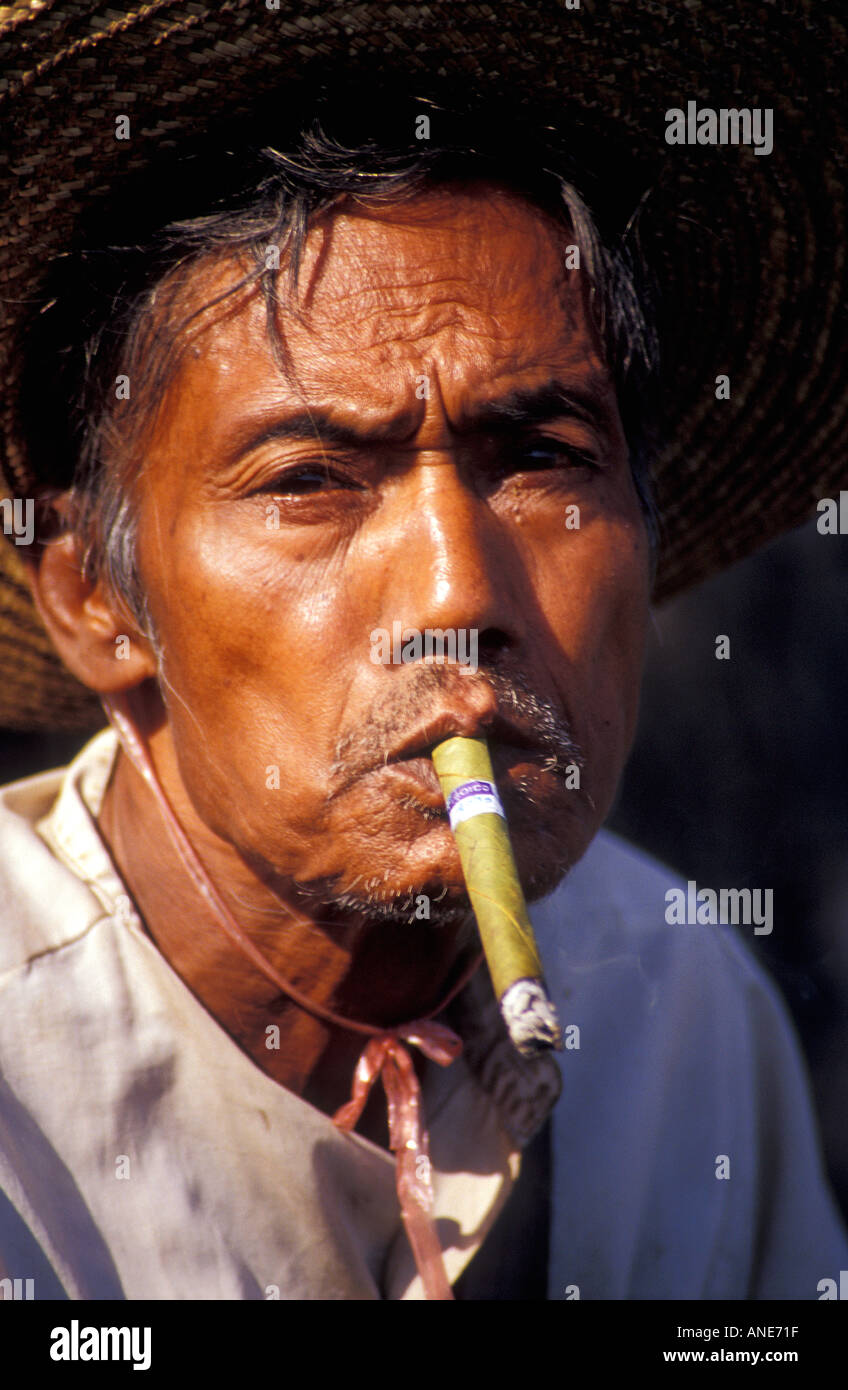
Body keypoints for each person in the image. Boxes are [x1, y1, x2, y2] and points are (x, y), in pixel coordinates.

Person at [1, 0, 846, 1301]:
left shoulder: (685, 1010)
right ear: (91, 597)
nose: (458, 592)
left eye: (543, 457)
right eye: (310, 478)